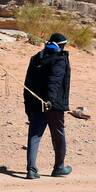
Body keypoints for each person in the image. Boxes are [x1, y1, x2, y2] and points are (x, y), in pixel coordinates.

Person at [23, 32, 71, 179]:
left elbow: (27, 84)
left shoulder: (36, 58)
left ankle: (31, 170)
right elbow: (54, 81)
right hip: (53, 105)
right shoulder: (60, 59)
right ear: (61, 46)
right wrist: (50, 100)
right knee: (58, 135)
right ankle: (59, 167)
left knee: (34, 135)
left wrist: (28, 105)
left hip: (36, 103)